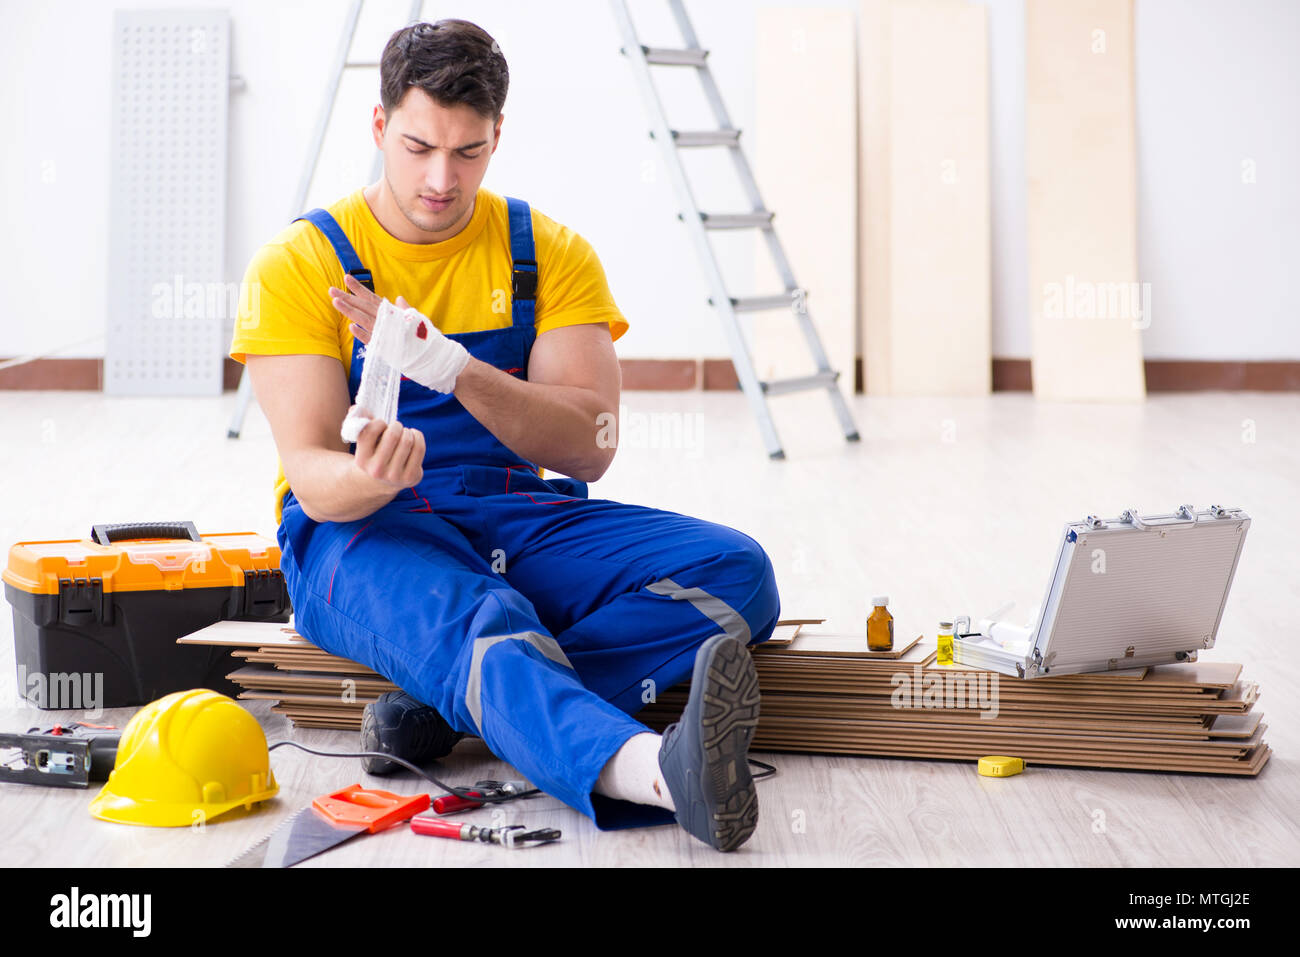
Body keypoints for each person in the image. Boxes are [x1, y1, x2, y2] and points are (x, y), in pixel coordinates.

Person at [229, 19, 780, 852]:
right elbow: (312, 474)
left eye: (468, 152)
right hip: (360, 528)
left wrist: (450, 368)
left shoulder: (545, 254)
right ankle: (660, 773)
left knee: (736, 573)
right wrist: (375, 479)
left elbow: (590, 444)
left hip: (514, 511)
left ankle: (454, 696)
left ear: (497, 138)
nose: (441, 178)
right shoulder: (301, 263)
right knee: (487, 613)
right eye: (418, 147)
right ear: (380, 128)